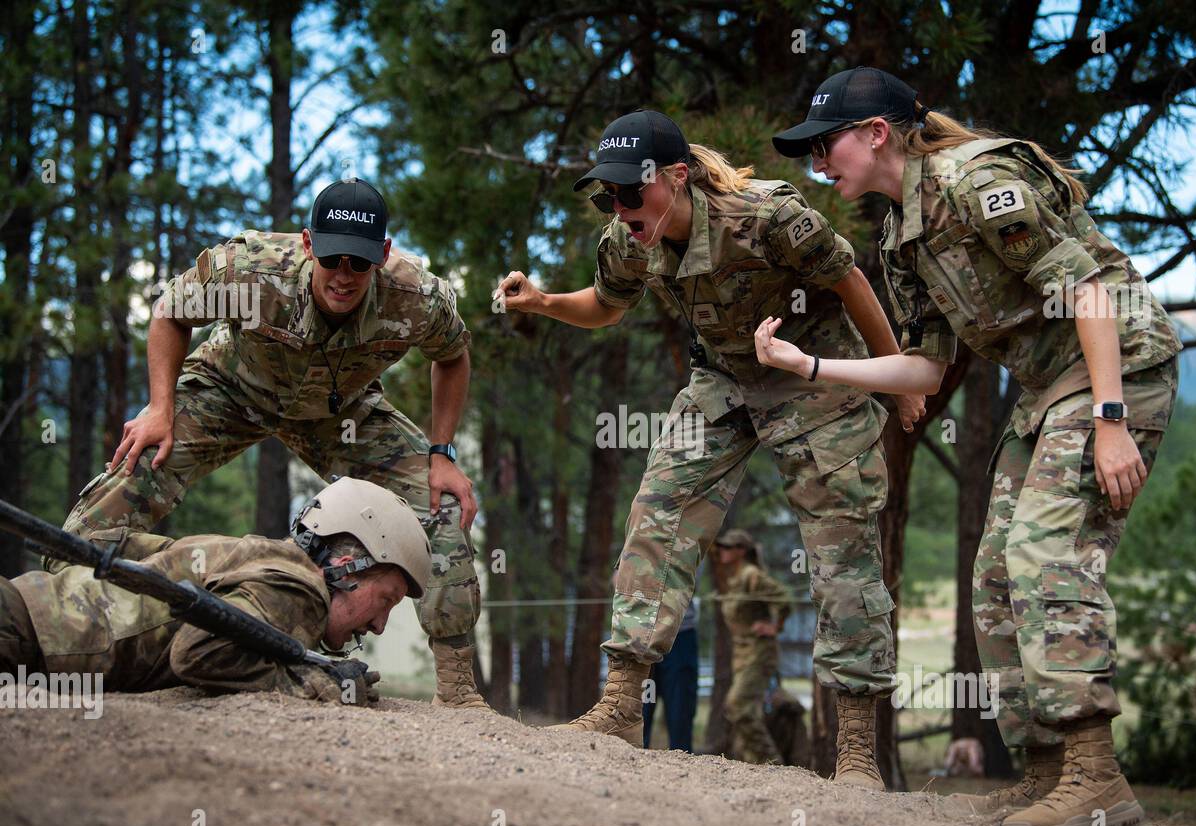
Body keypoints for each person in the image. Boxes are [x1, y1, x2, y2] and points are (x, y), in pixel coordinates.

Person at [768, 67, 1182, 826]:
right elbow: (924, 367)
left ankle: (1097, 773)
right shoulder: (900, 235)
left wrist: (1112, 416)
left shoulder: (975, 180)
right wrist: (813, 366)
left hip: (1117, 364)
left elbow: (1087, 290)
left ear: (876, 134)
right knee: (995, 571)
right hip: (1050, 389)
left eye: (825, 146)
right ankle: (1049, 773)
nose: (818, 164)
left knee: (1044, 550)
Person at [497, 109, 926, 788]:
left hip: (811, 374)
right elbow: (608, 305)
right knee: (658, 511)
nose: (619, 207)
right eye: (607, 196)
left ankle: (855, 753)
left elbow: (852, 282)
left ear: (677, 176)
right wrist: (544, 300)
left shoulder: (769, 219)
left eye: (630, 193)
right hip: (723, 379)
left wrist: (898, 377)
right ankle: (618, 705)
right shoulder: (628, 238)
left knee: (843, 548)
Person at [57, 178, 487, 710]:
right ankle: (68, 618)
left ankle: (459, 691)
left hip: (338, 412)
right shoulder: (250, 270)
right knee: (136, 468)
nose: (345, 277)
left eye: (359, 262)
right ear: (308, 245)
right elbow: (170, 310)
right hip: (230, 392)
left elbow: (453, 355)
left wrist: (441, 453)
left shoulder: (417, 295)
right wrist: (161, 409)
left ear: (383, 254)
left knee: (439, 502)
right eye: (333, 260)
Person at [1, 478, 427, 705]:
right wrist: (310, 685)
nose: (379, 625)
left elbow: (106, 547)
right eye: (386, 599)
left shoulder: (248, 555)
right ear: (344, 563)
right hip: (22, 637)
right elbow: (199, 654)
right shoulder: (302, 588)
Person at [714, 528, 792, 765]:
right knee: (746, 710)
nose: (722, 551)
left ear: (742, 551)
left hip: (759, 652)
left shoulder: (751, 575)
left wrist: (774, 626)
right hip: (742, 652)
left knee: (737, 705)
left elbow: (784, 597)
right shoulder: (734, 577)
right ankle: (750, 764)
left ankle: (772, 762)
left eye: (728, 547)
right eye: (722, 546)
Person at [641, 594, 699, 752]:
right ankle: (629, 765)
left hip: (679, 635)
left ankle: (683, 767)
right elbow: (618, 578)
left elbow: (689, 581)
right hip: (642, 635)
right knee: (642, 705)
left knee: (679, 709)